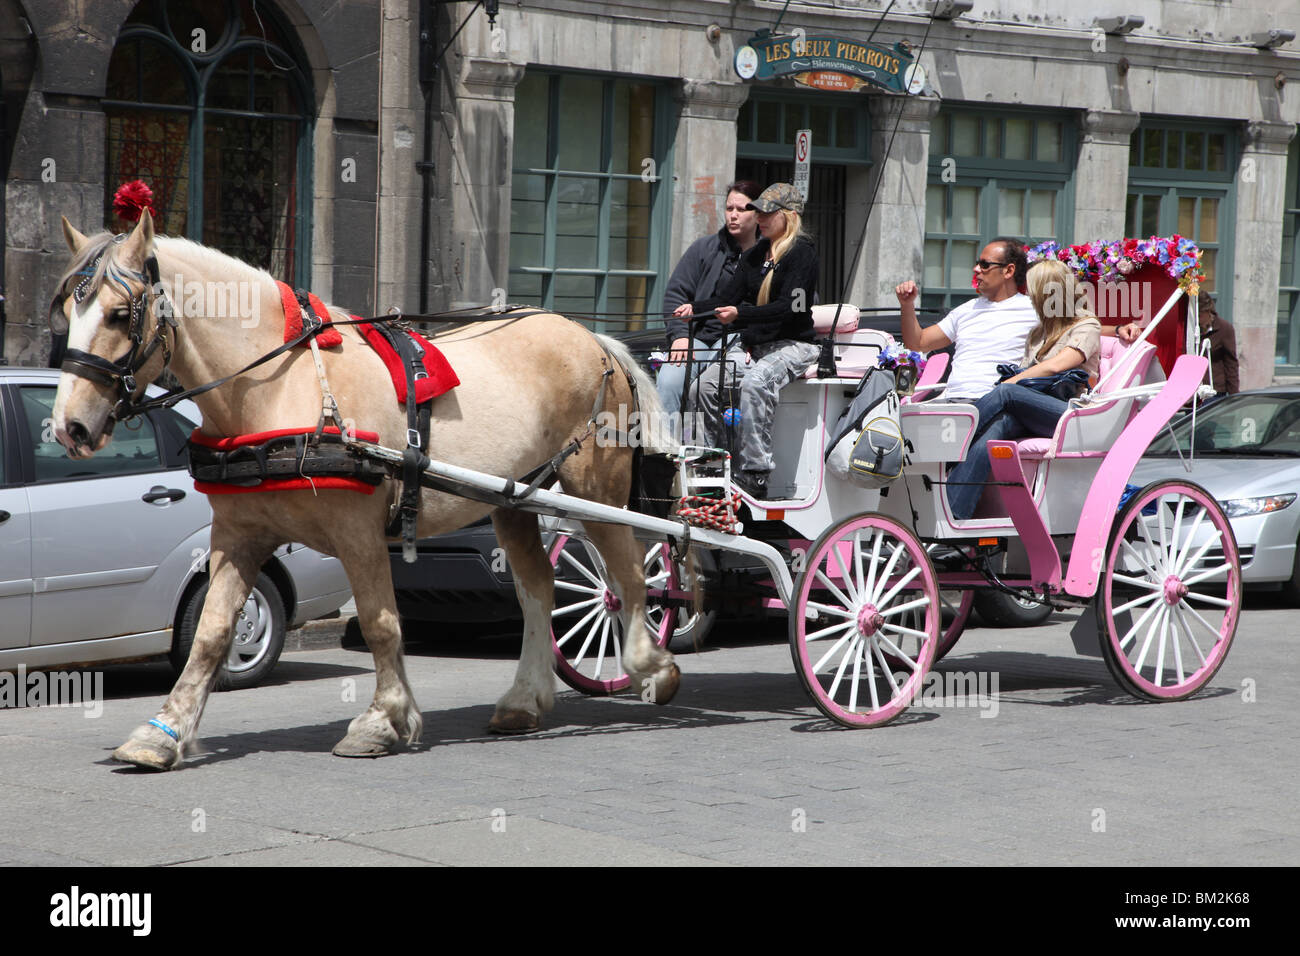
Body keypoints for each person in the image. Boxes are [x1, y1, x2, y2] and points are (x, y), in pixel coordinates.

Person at [687, 182, 819, 499]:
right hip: (755, 347)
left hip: (795, 345)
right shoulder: (754, 255)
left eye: (767, 212)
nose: (759, 217)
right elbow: (727, 298)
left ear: (788, 216)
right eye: (757, 211)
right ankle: (708, 465)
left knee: (756, 382)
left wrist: (741, 316)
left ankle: (756, 472)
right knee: (701, 386)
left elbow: (791, 307)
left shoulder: (803, 254)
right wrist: (695, 309)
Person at [945, 258, 1102, 521]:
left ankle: (953, 442)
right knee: (995, 430)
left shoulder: (1087, 325)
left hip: (1069, 416)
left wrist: (1009, 384)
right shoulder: (1038, 333)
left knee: (1006, 393)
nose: (1029, 297)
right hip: (1034, 409)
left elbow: (1057, 365)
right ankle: (953, 516)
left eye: (1033, 292)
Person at [659, 180, 763, 416]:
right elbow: (676, 295)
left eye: (742, 209)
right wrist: (680, 337)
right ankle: (667, 450)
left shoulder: (772, 254)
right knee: (669, 381)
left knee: (707, 387)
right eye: (729, 209)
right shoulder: (703, 248)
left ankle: (711, 451)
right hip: (699, 337)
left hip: (742, 341)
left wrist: (758, 338)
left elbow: (785, 304)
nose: (733, 215)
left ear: (758, 215)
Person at [895, 238, 1041, 402]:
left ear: (1008, 271)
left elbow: (1070, 335)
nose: (976, 269)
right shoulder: (965, 310)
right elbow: (918, 342)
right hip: (951, 400)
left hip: (995, 402)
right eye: (978, 263)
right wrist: (907, 304)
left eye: (985, 265)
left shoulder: (1035, 310)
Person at [1197, 290, 1239, 396]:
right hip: (1193, 389)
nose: (1197, 320)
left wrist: (1234, 394)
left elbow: (1231, 363)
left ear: (1208, 311)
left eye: (1200, 316)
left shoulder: (1224, 328)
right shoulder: (1190, 328)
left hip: (1214, 390)